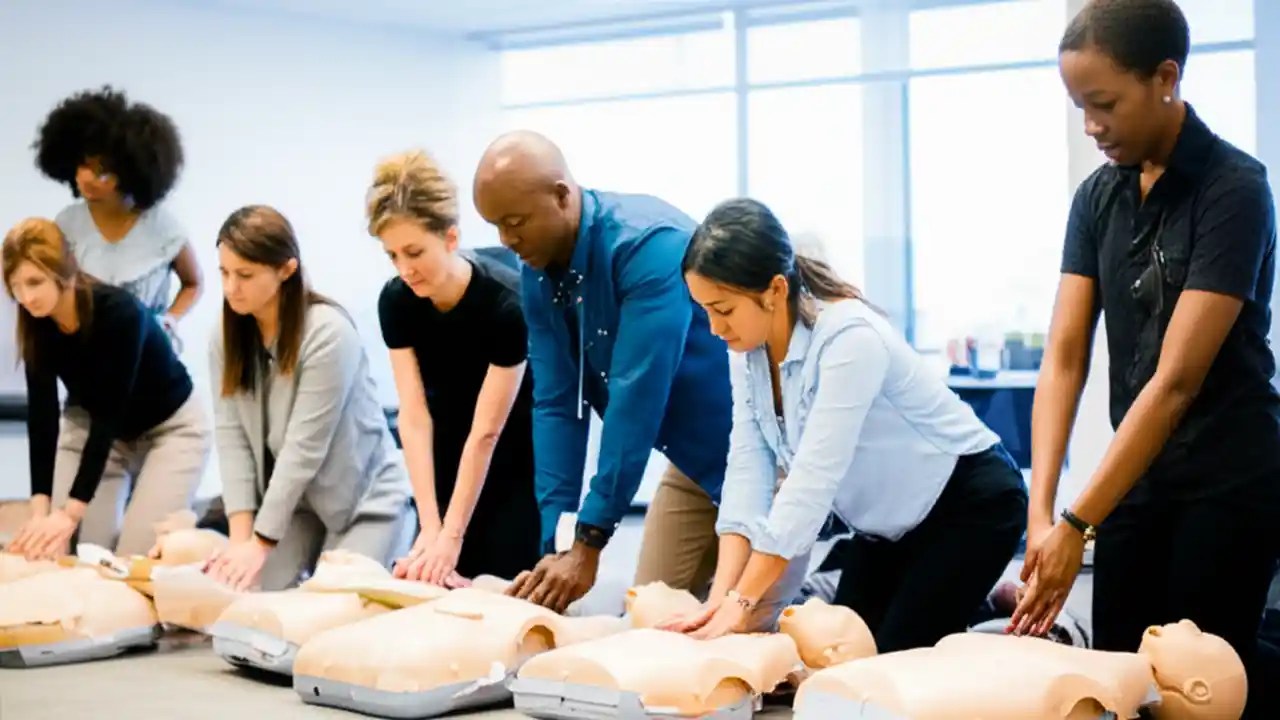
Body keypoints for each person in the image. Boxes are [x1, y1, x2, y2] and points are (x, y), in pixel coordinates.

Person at [1012, 1, 1280, 715]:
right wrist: (1042, 517)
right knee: (1119, 683)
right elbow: (1065, 358)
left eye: (1104, 104)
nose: (1091, 126)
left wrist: (1075, 524)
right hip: (1136, 486)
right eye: (1079, 108)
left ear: (1166, 77)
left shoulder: (1235, 190)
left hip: (1227, 482)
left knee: (1199, 696)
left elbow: (1175, 382)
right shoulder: (1098, 197)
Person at [661, 198, 1028, 651]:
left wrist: (744, 601)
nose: (715, 328)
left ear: (775, 290)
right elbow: (746, 469)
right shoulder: (747, 350)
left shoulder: (850, 338)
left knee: (890, 670)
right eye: (707, 311)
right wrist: (720, 601)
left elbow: (811, 484)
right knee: (836, 658)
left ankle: (1027, 622)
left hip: (971, 505)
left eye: (724, 310)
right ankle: (976, 601)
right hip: (886, 530)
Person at [472, 131, 733, 613]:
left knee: (750, 621)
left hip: (759, 455)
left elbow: (635, 402)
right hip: (695, 465)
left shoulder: (649, 247)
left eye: (515, 222)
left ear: (561, 195)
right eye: (496, 227)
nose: (507, 240)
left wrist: (590, 541)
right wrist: (557, 542)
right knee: (648, 619)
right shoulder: (538, 269)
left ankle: (818, 585)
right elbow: (555, 403)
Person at [206, 205, 412, 591]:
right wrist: (241, 542)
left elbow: (303, 449)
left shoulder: (328, 333)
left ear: (286, 269)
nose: (231, 287)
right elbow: (230, 438)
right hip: (296, 508)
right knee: (245, 607)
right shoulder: (225, 335)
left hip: (364, 505)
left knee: (330, 606)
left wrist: (261, 543)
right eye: (224, 273)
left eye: (245, 275)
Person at [366, 149, 541, 586]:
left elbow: (487, 433)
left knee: (500, 590)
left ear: (450, 237)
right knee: (433, 578)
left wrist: (454, 534)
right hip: (444, 449)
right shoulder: (396, 302)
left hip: (509, 454)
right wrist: (430, 526)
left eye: (414, 251)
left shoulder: (507, 305)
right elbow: (413, 415)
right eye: (392, 256)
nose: (404, 269)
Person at [3, 218, 210, 559]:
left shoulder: (118, 313)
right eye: (16, 286)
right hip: (99, 429)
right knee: (72, 552)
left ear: (66, 273)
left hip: (171, 429)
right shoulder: (36, 324)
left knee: (132, 558)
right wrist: (41, 513)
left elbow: (108, 413)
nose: (26, 297)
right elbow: (42, 417)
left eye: (35, 282)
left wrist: (69, 513)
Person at [32, 86, 203, 350]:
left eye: (102, 170)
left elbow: (193, 283)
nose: (86, 178)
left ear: (130, 170)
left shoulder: (164, 228)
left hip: (150, 357)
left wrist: (169, 320)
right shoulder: (66, 226)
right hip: (88, 354)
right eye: (83, 165)